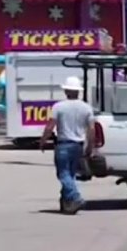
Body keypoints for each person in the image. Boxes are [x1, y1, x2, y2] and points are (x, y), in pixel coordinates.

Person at [40, 76, 96, 215]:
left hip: (63, 144)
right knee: (70, 174)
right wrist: (90, 146)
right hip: (78, 145)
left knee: (63, 174)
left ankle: (75, 197)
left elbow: (50, 126)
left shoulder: (59, 107)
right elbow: (91, 129)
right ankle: (67, 204)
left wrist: (43, 141)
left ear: (67, 91)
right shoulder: (86, 108)